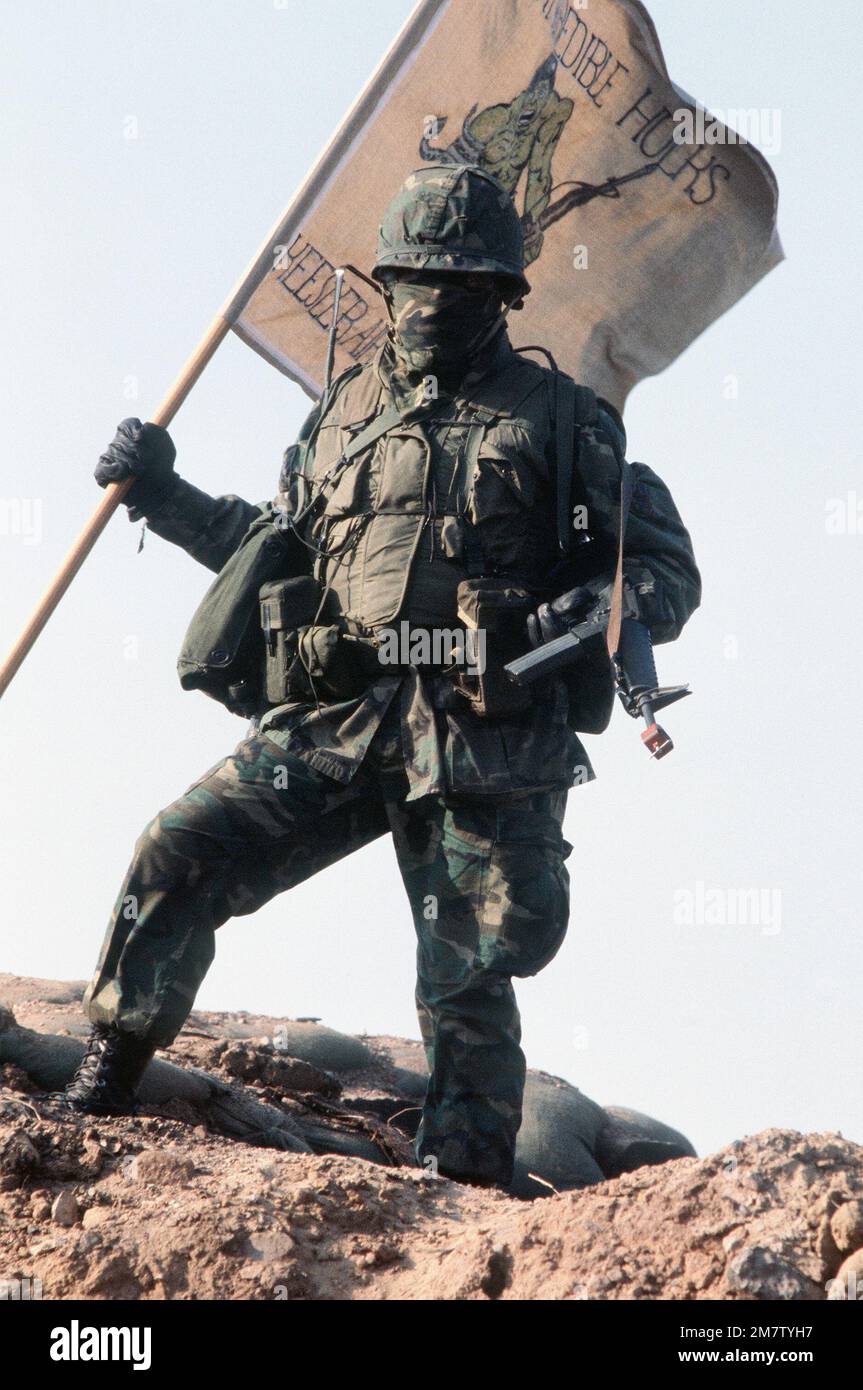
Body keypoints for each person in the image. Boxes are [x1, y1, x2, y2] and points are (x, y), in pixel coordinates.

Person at [54, 164, 700, 1190]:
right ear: (385, 282)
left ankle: (465, 1186)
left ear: (502, 293)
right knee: (179, 845)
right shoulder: (342, 412)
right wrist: (162, 493)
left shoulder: (566, 422)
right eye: (412, 280)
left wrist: (557, 625)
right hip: (339, 711)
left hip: (480, 734)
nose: (429, 302)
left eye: (457, 284)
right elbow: (264, 548)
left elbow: (655, 575)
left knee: (469, 977)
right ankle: (112, 1061)